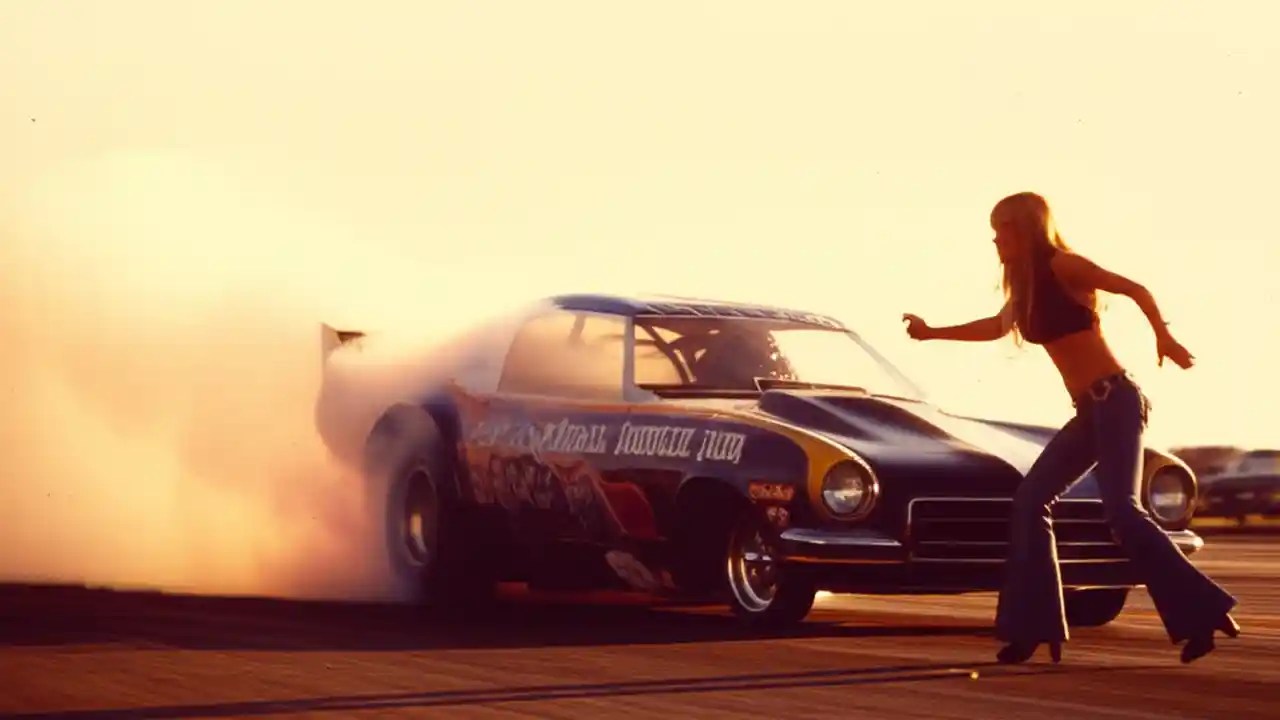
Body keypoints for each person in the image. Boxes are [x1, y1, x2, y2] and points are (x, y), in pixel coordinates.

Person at [901, 191, 1239, 665]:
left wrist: (1163, 336)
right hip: (1088, 412)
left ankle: (1203, 612)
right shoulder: (1027, 287)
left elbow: (1135, 289)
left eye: (1001, 230)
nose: (995, 240)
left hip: (1117, 400)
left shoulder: (1065, 266)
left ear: (1025, 229)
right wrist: (932, 332)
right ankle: (1032, 626)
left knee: (1122, 512)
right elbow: (996, 326)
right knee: (1030, 500)